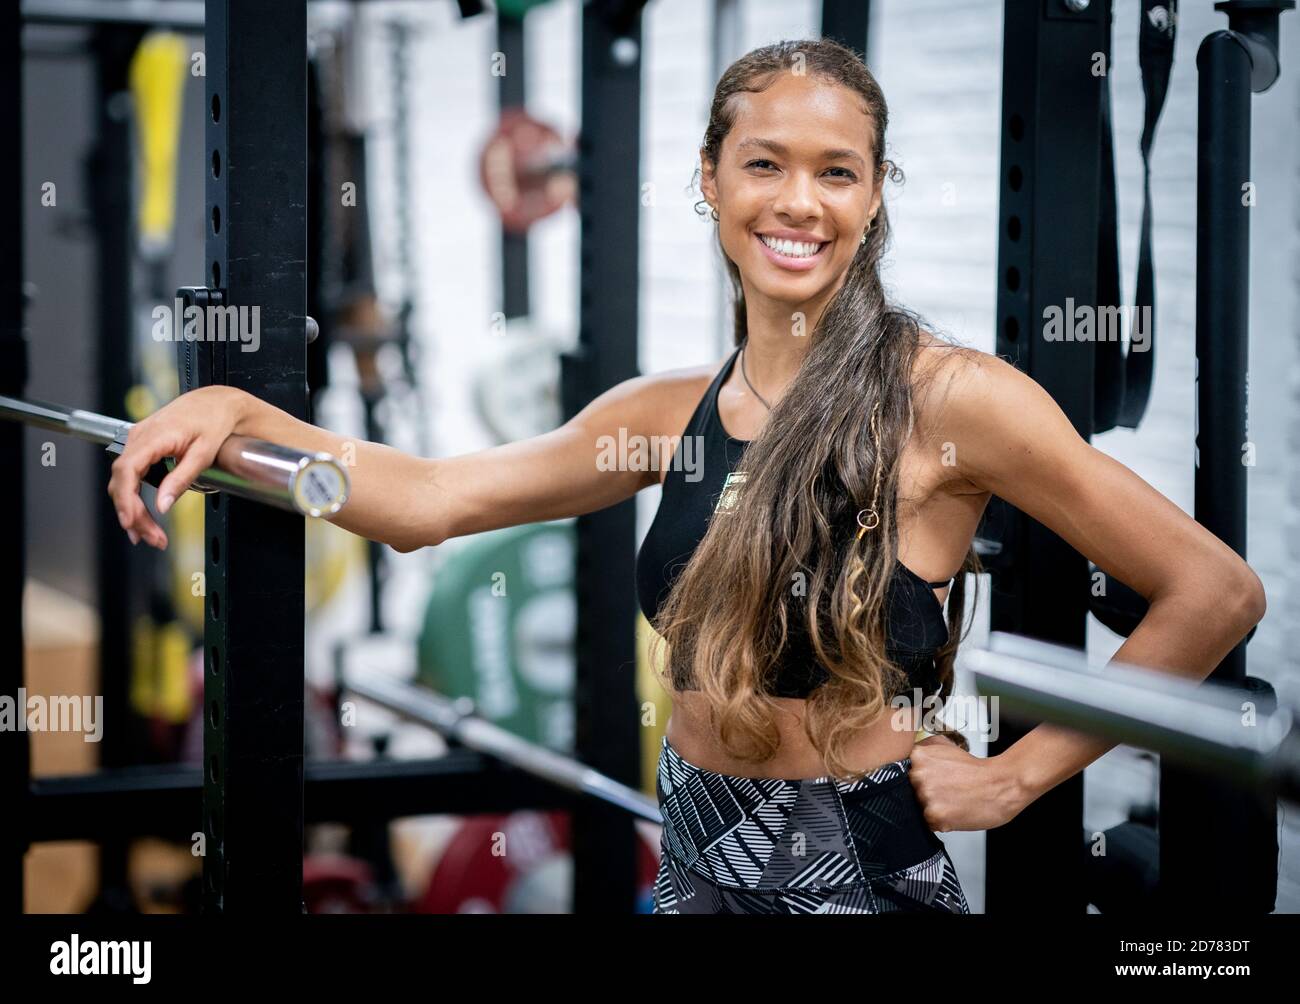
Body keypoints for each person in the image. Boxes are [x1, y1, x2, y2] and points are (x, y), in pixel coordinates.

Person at [107, 38, 1266, 915]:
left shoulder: (950, 399)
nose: (798, 202)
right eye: (763, 164)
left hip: (850, 854)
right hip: (695, 839)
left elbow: (1213, 590)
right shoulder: (665, 412)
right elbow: (428, 501)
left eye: (836, 172)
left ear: (873, 195)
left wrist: (1016, 778)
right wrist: (241, 410)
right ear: (710, 180)